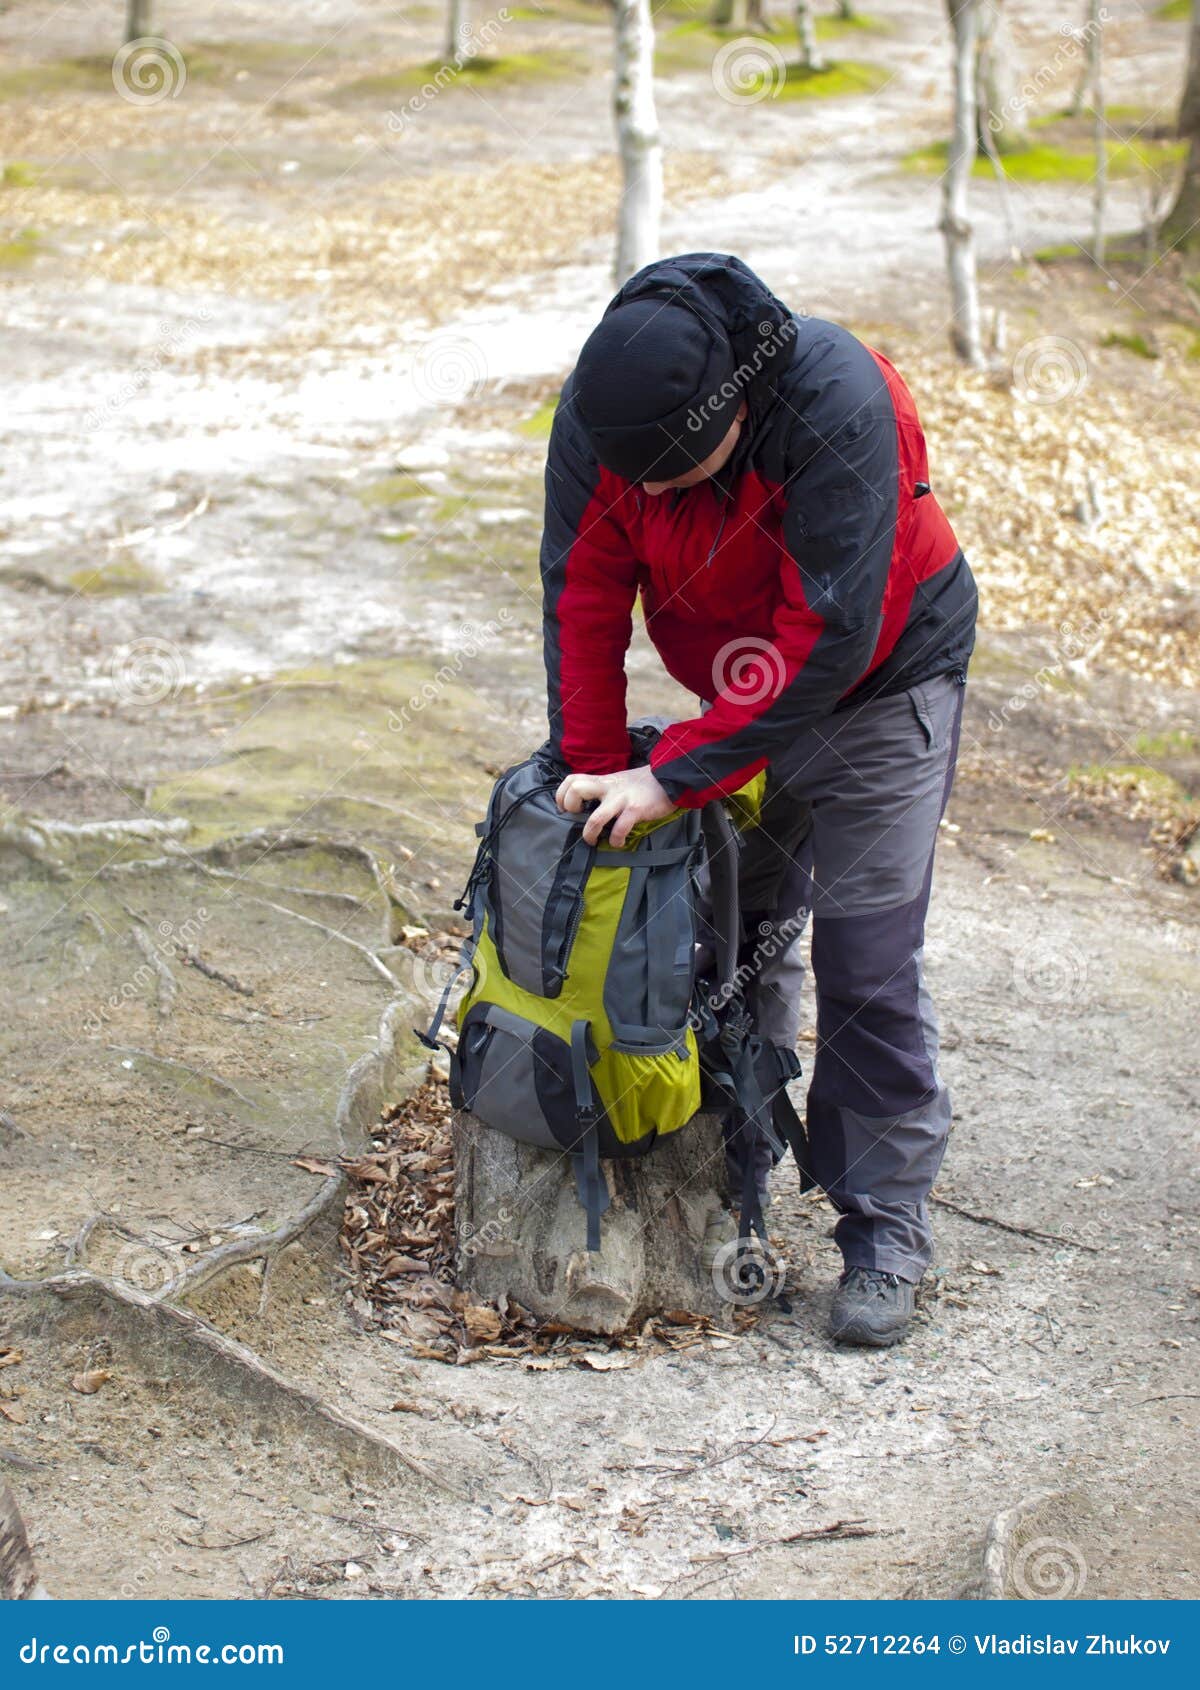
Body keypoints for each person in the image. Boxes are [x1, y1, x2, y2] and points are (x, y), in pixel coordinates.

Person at [538, 253, 976, 1347]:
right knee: (726, 937)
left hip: (881, 678)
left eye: (675, 480)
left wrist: (675, 773)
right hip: (735, 693)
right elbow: (584, 589)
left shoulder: (833, 398)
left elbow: (824, 639)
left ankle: (884, 1228)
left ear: (734, 406)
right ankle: (735, 1176)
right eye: (637, 481)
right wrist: (593, 774)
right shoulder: (611, 407)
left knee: (866, 964)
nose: (651, 500)